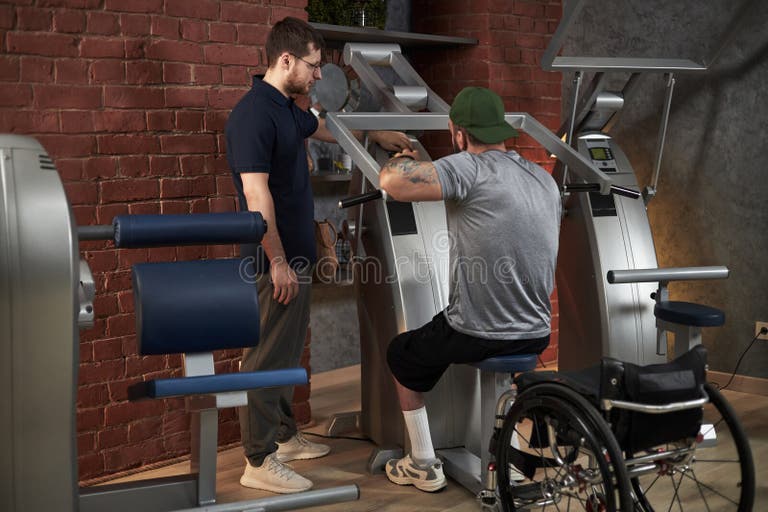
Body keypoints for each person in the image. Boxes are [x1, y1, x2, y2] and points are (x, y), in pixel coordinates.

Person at [225, 17, 411, 494]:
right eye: (313, 66)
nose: (319, 76)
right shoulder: (252, 114)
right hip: (273, 260)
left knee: (286, 351)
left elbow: (325, 126)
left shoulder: (287, 108)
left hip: (296, 256)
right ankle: (258, 459)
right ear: (284, 59)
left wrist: (375, 134)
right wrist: (279, 261)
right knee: (266, 355)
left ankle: (284, 438)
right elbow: (255, 195)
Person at [377, 87, 562, 492]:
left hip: (476, 333)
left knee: (401, 354)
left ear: (459, 134)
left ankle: (423, 463)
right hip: (537, 331)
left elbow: (392, 182)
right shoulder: (541, 178)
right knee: (488, 345)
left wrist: (400, 155)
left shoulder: (467, 167)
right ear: (501, 130)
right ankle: (506, 453)